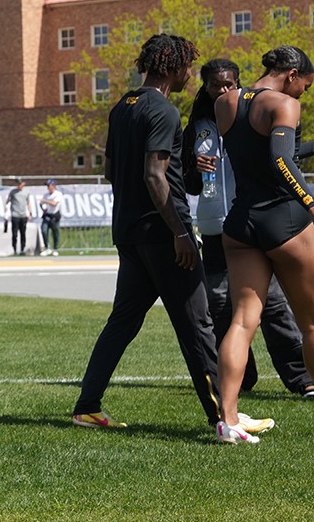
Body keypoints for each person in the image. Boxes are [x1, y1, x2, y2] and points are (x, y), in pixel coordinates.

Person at [70, 35, 249, 440]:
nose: (190, 74)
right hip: (164, 235)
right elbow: (154, 175)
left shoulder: (122, 107)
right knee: (197, 324)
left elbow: (113, 173)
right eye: (187, 66)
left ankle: (87, 407)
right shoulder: (164, 110)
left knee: (123, 321)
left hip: (130, 233)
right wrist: (181, 232)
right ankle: (225, 417)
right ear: (171, 66)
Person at [213, 46, 314, 440]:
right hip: (285, 221)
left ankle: (229, 419)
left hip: (241, 223)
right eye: (304, 86)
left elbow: (262, 152)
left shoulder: (226, 103)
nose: (301, 95)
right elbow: (281, 161)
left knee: (241, 321)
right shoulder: (284, 103)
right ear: (291, 75)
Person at [188, 58, 314, 399]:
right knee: (222, 308)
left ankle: (300, 377)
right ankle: (239, 380)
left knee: (271, 306)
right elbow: (188, 180)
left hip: (249, 217)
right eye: (216, 85)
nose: (224, 90)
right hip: (219, 227)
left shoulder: (248, 113)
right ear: (206, 88)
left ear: (239, 82)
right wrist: (192, 162)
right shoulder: (201, 123)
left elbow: (281, 156)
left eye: (229, 84)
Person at [4, 178, 32, 255]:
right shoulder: (13, 192)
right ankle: (15, 249)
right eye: (18, 184)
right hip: (15, 215)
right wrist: (6, 213)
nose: (19, 185)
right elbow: (7, 202)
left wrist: (30, 213)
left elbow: (28, 203)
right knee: (15, 234)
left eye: (20, 184)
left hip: (23, 215)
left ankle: (22, 249)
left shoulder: (26, 192)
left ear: (23, 184)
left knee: (23, 233)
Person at [38, 179, 63, 255]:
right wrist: (43, 208)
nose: (48, 187)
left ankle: (55, 248)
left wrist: (45, 201)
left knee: (55, 232)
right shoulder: (46, 195)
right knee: (44, 230)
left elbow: (54, 203)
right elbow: (41, 203)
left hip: (55, 215)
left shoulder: (58, 194)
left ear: (53, 186)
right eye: (47, 186)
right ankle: (47, 247)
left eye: (49, 185)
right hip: (47, 215)